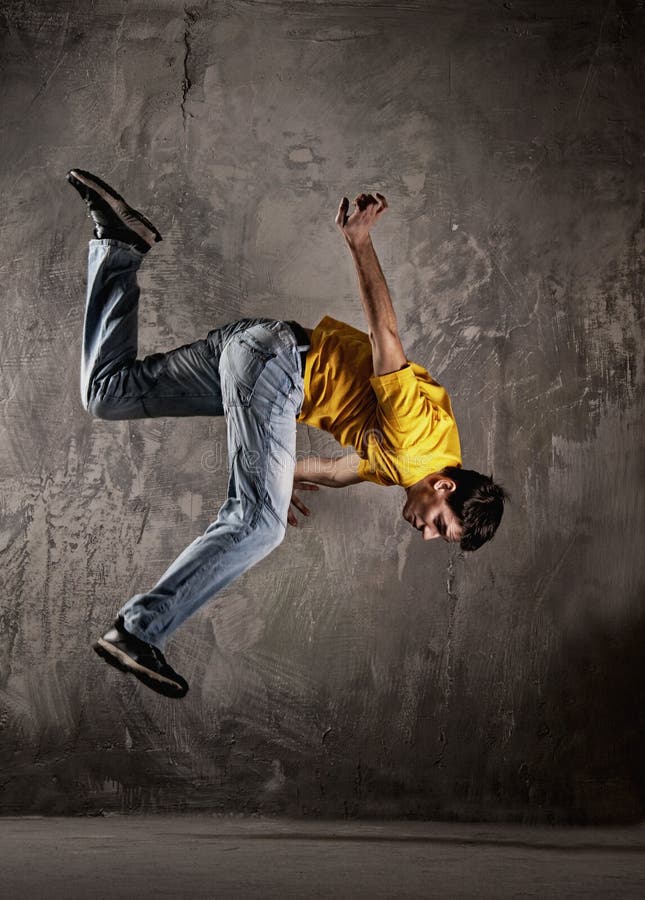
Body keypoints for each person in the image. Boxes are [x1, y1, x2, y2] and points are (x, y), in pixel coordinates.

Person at [67, 169, 508, 699]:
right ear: (444, 488)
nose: (428, 535)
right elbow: (386, 336)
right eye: (441, 525)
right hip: (276, 368)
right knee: (260, 526)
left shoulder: (415, 465)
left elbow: (339, 470)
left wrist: (280, 473)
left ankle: (118, 243)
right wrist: (360, 243)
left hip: (249, 351)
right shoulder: (419, 435)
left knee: (108, 393)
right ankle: (139, 631)